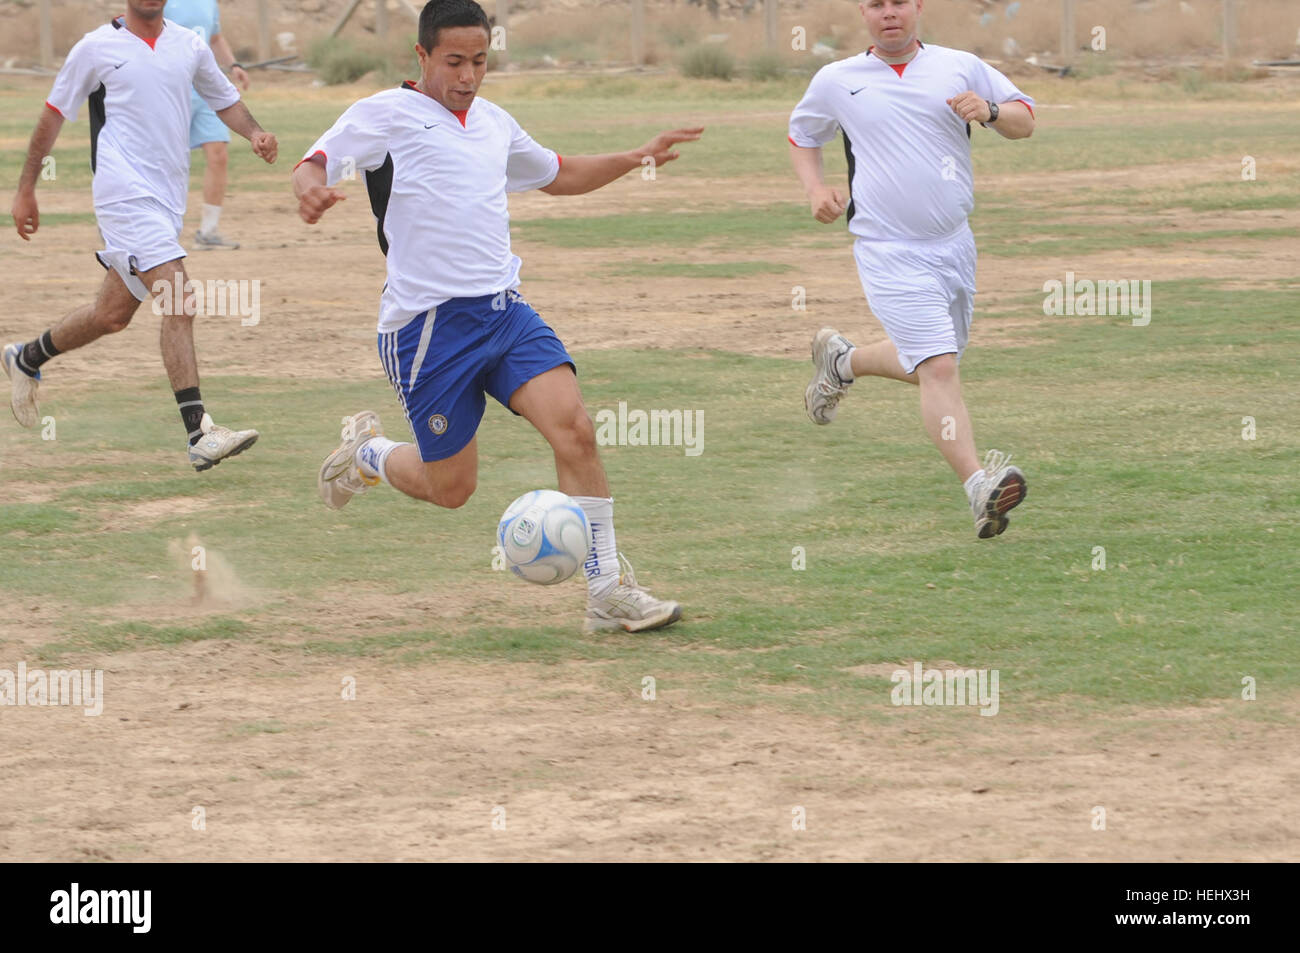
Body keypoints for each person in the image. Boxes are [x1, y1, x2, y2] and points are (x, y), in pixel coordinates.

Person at [293, 0, 700, 632]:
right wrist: (309, 189)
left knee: (577, 430)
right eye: (453, 61)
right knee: (451, 489)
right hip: (428, 330)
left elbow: (556, 174)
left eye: (480, 61)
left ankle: (607, 590)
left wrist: (634, 156)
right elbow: (315, 161)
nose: (467, 76)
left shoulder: (493, 123)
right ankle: (368, 454)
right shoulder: (387, 115)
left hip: (505, 312)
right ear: (422, 55)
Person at [790, 0, 1036, 538]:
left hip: (954, 244)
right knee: (940, 368)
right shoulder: (838, 79)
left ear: (917, 7)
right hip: (887, 248)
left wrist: (989, 112)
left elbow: (1025, 120)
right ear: (863, 13)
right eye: (876, 4)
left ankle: (843, 362)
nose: (888, 13)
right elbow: (803, 134)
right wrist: (815, 189)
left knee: (931, 364)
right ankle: (978, 486)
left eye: (898, 2)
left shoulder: (959, 65)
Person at [5, 0, 277, 470]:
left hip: (167, 200)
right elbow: (53, 115)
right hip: (121, 193)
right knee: (179, 297)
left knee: (110, 315)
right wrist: (27, 188)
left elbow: (223, 98)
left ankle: (26, 356)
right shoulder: (95, 48)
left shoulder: (188, 44)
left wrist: (254, 132)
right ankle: (199, 432)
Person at [165, 0, 250, 250]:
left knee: (218, 154)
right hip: (172, 87)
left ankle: (208, 232)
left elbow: (215, 38)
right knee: (165, 158)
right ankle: (143, 224)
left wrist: (234, 65)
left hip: (206, 88)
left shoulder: (209, 3)